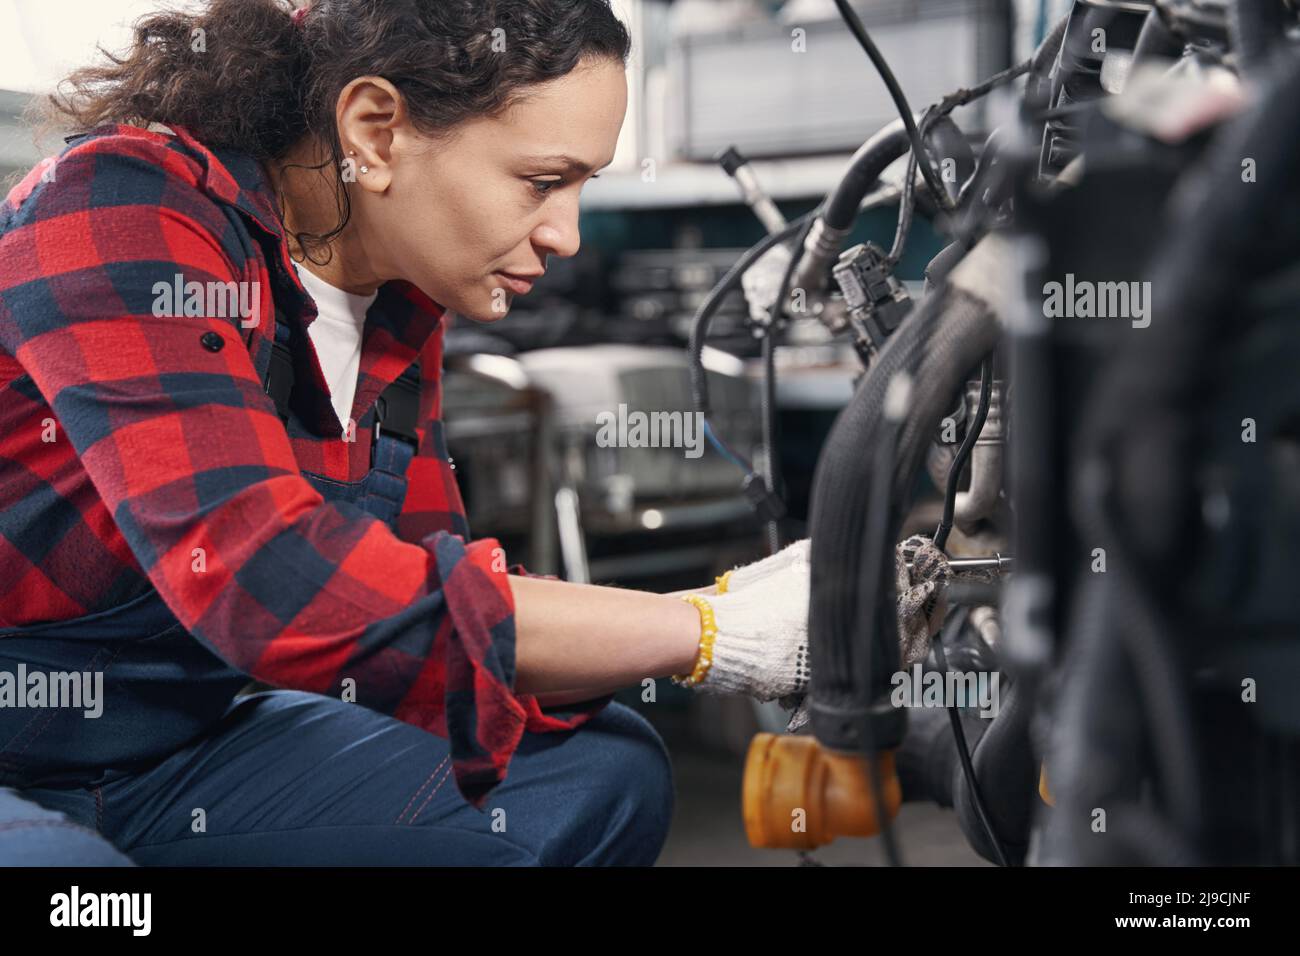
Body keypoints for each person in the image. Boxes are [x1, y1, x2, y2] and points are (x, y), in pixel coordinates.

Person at [0, 0, 813, 866]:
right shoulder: (114, 208)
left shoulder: (399, 302)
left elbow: (428, 603)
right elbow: (261, 574)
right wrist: (707, 636)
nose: (565, 235)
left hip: (170, 756)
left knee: (597, 775)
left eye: (585, 187)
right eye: (542, 181)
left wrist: (732, 609)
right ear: (376, 131)